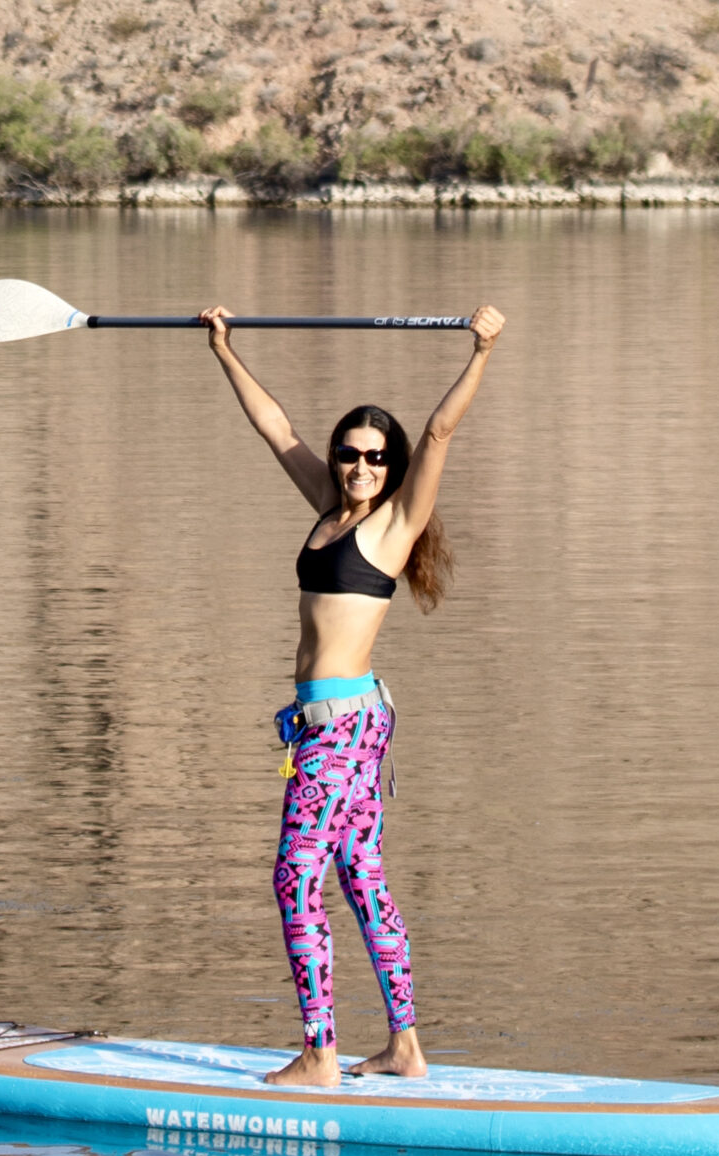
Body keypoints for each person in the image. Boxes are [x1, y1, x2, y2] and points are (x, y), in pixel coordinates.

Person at [201, 300, 505, 1088]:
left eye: (375, 457)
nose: (360, 466)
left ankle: (320, 1053)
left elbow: (438, 433)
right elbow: (276, 428)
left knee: (294, 877)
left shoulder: (394, 525)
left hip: (342, 730)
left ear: (392, 467)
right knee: (360, 876)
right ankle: (405, 1048)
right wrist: (224, 348)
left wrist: (481, 351)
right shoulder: (329, 512)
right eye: (349, 453)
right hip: (336, 725)